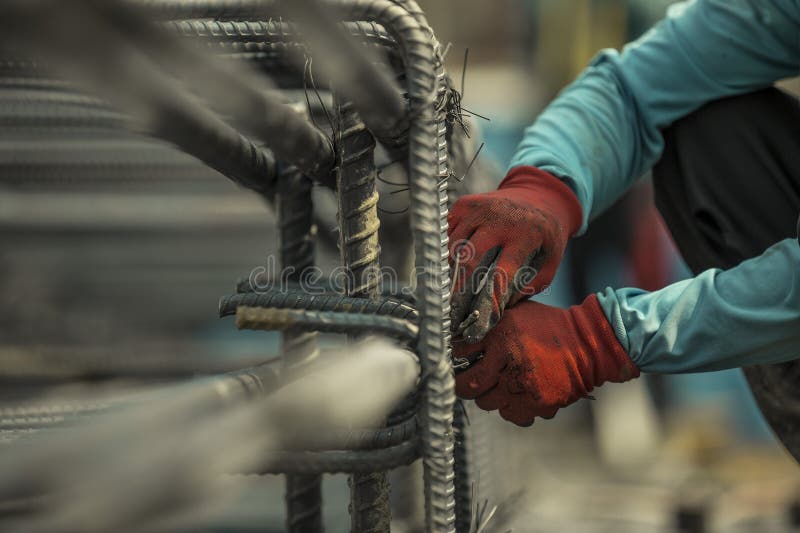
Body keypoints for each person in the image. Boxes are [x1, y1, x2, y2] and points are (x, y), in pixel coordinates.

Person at [449, 0, 800, 427]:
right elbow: (635, 87)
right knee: (698, 111)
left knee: (634, 275)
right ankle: (592, 424)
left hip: (625, 192)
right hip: (599, 174)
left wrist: (600, 340)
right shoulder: (546, 11)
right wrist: (542, 188)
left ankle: (662, 409)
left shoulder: (635, 7)